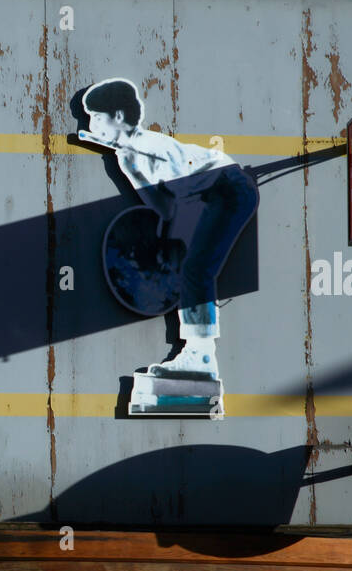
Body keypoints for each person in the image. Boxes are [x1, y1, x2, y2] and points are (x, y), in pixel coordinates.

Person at [80, 77, 258, 382]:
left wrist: (169, 250)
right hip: (213, 195)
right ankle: (197, 352)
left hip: (229, 189)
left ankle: (200, 356)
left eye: (97, 118)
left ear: (119, 117)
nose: (92, 126)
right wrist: (132, 165)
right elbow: (165, 208)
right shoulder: (129, 156)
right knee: (193, 267)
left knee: (195, 268)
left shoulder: (153, 146)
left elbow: (184, 202)